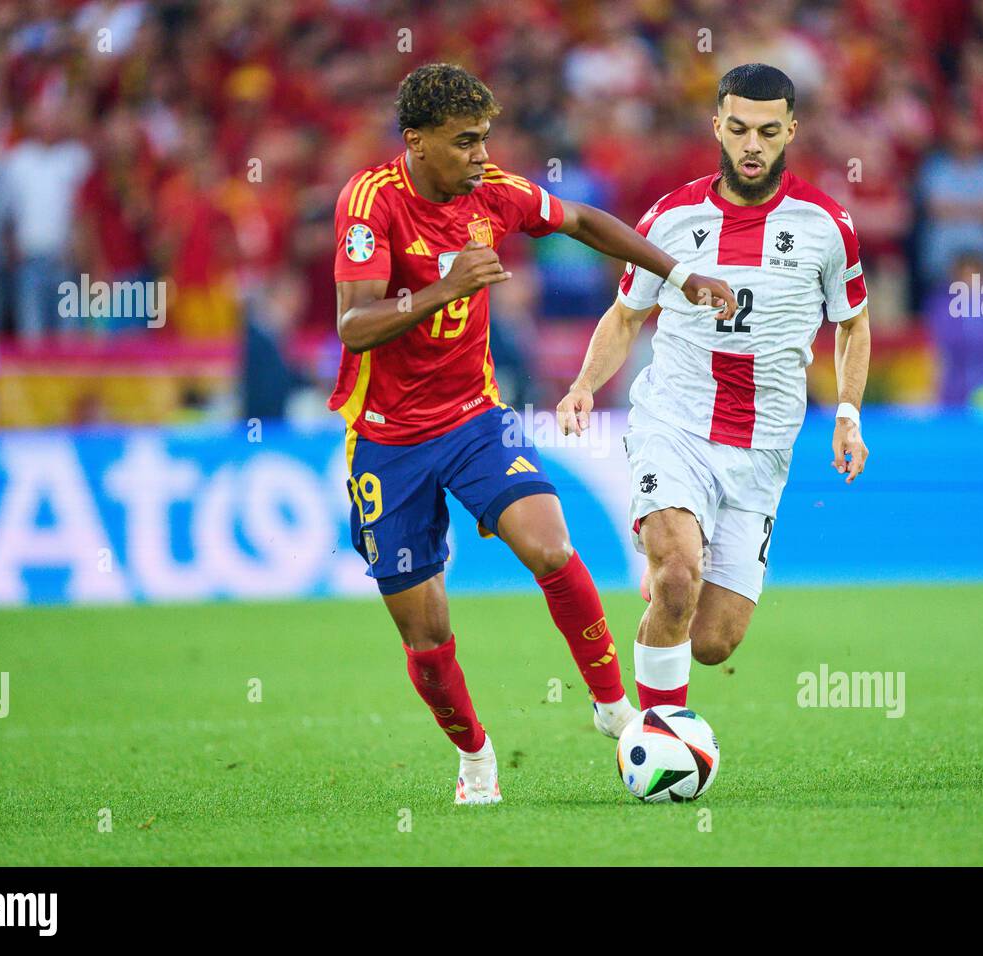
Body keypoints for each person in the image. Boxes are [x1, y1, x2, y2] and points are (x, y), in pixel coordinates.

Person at [332, 64, 736, 805]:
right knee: (426, 633)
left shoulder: (492, 194)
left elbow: (580, 221)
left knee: (551, 545)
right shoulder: (369, 204)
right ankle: (477, 757)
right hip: (386, 442)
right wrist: (445, 288)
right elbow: (353, 328)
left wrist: (682, 277)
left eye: (485, 138)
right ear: (416, 142)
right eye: (463, 142)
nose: (481, 155)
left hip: (475, 417)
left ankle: (614, 705)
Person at [558, 64, 872, 718]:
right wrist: (585, 384)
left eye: (765, 130)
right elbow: (625, 317)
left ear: (791, 129)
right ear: (717, 128)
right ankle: (652, 735)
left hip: (763, 447)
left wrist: (848, 413)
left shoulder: (827, 225)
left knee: (712, 641)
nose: (751, 145)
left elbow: (853, 323)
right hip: (676, 423)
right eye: (737, 129)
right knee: (677, 581)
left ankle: (674, 567)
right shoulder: (671, 218)